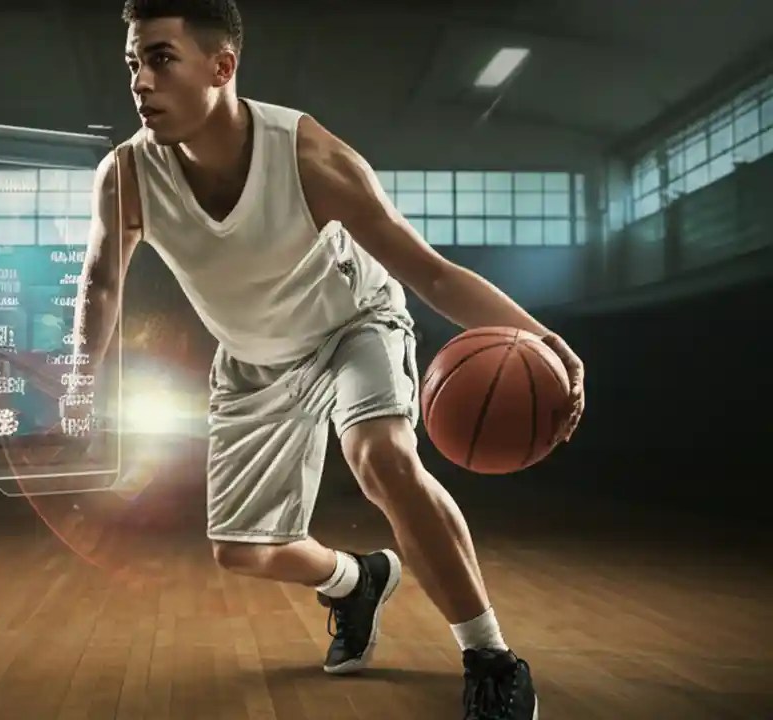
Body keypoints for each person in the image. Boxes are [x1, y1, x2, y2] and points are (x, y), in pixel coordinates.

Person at [67, 1, 585, 718]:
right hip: (253, 360)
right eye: (133, 63)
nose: (140, 82)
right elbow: (101, 283)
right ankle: (355, 581)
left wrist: (544, 340)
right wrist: (80, 380)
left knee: (382, 458)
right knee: (242, 551)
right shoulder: (126, 175)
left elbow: (431, 275)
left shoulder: (309, 158)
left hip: (351, 325)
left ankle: (491, 657)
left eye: (160, 59)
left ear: (222, 67)